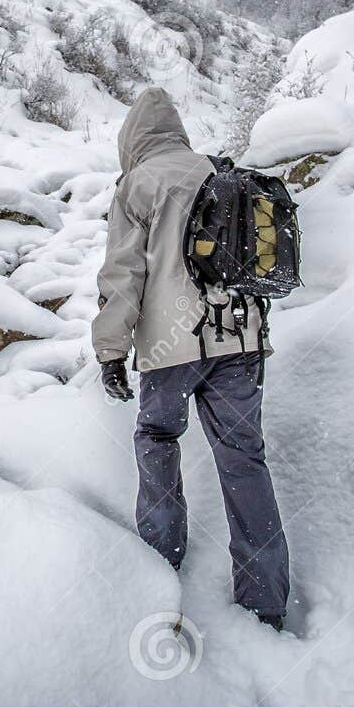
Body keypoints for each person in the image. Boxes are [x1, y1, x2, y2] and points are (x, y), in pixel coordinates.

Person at [93, 87, 291, 630]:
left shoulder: (138, 184)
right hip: (242, 342)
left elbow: (123, 277)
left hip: (170, 348)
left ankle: (160, 563)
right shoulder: (221, 170)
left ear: (132, 141)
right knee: (244, 460)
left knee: (157, 437)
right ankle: (266, 601)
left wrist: (111, 351)